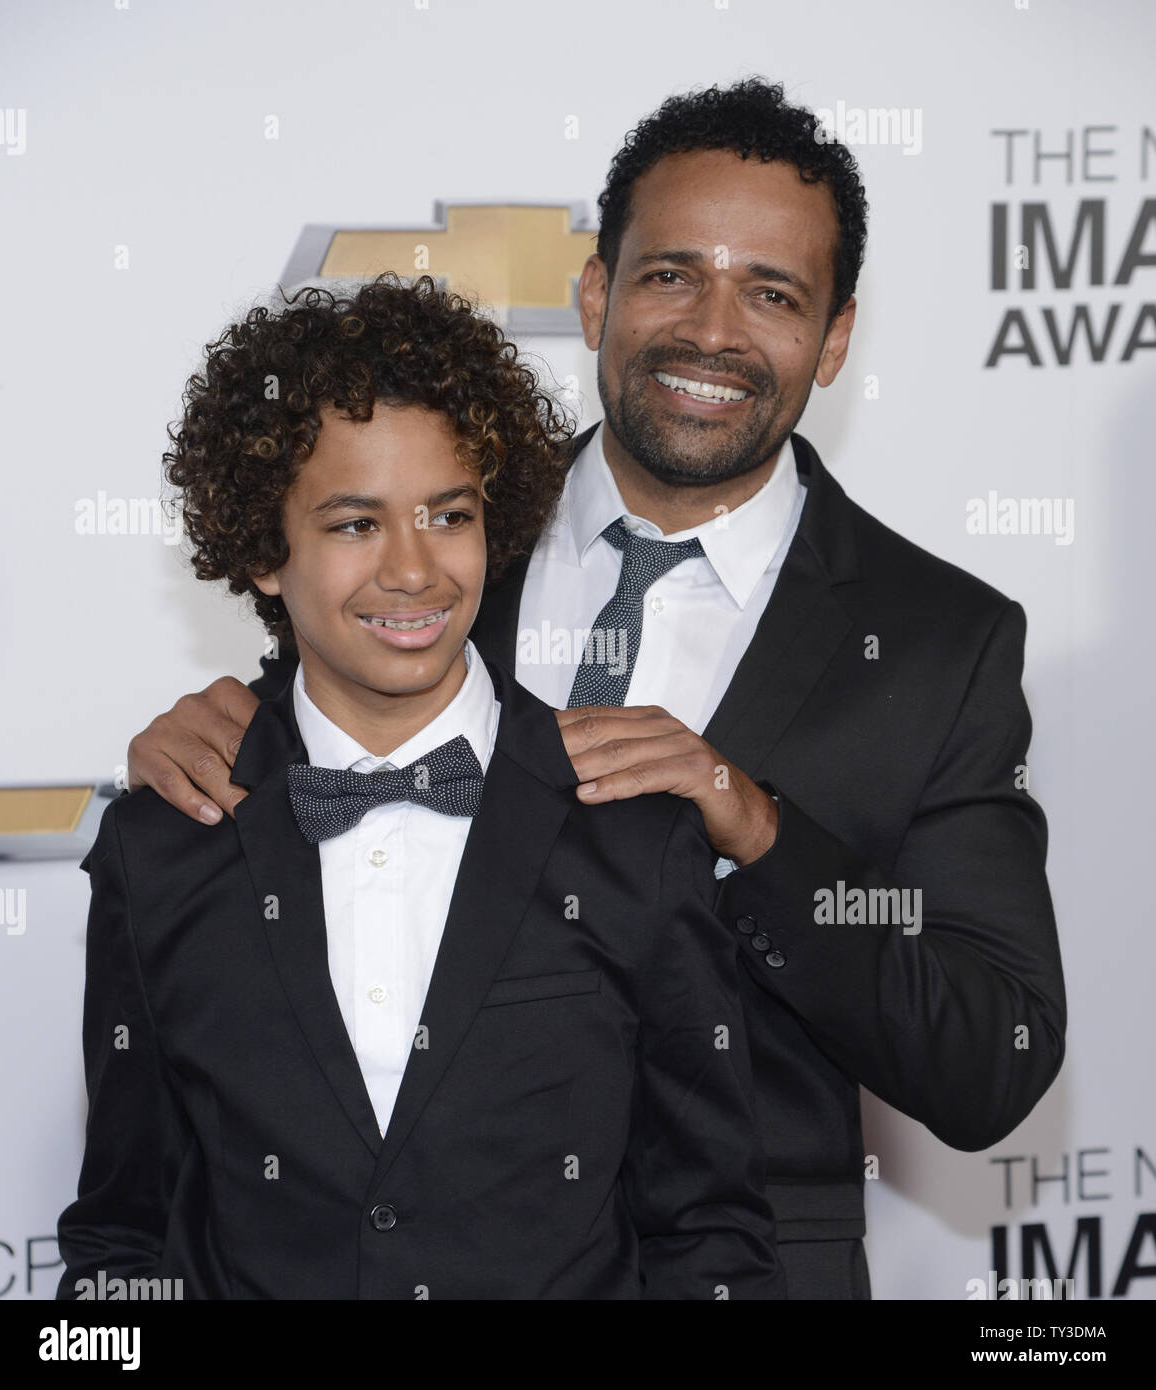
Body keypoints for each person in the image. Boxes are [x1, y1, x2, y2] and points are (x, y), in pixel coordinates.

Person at [124, 79, 1067, 1299]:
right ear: (594, 293)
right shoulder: (443, 544)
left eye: (772, 293)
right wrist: (212, 744)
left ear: (835, 340)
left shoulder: (939, 642)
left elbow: (992, 1054)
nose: (713, 331)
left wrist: (757, 828)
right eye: (673, 273)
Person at [57, 276, 783, 1300]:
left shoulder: (634, 835)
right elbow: (123, 1240)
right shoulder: (162, 845)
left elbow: (709, 1233)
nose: (413, 569)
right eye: (356, 525)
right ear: (266, 551)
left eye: (448, 514)